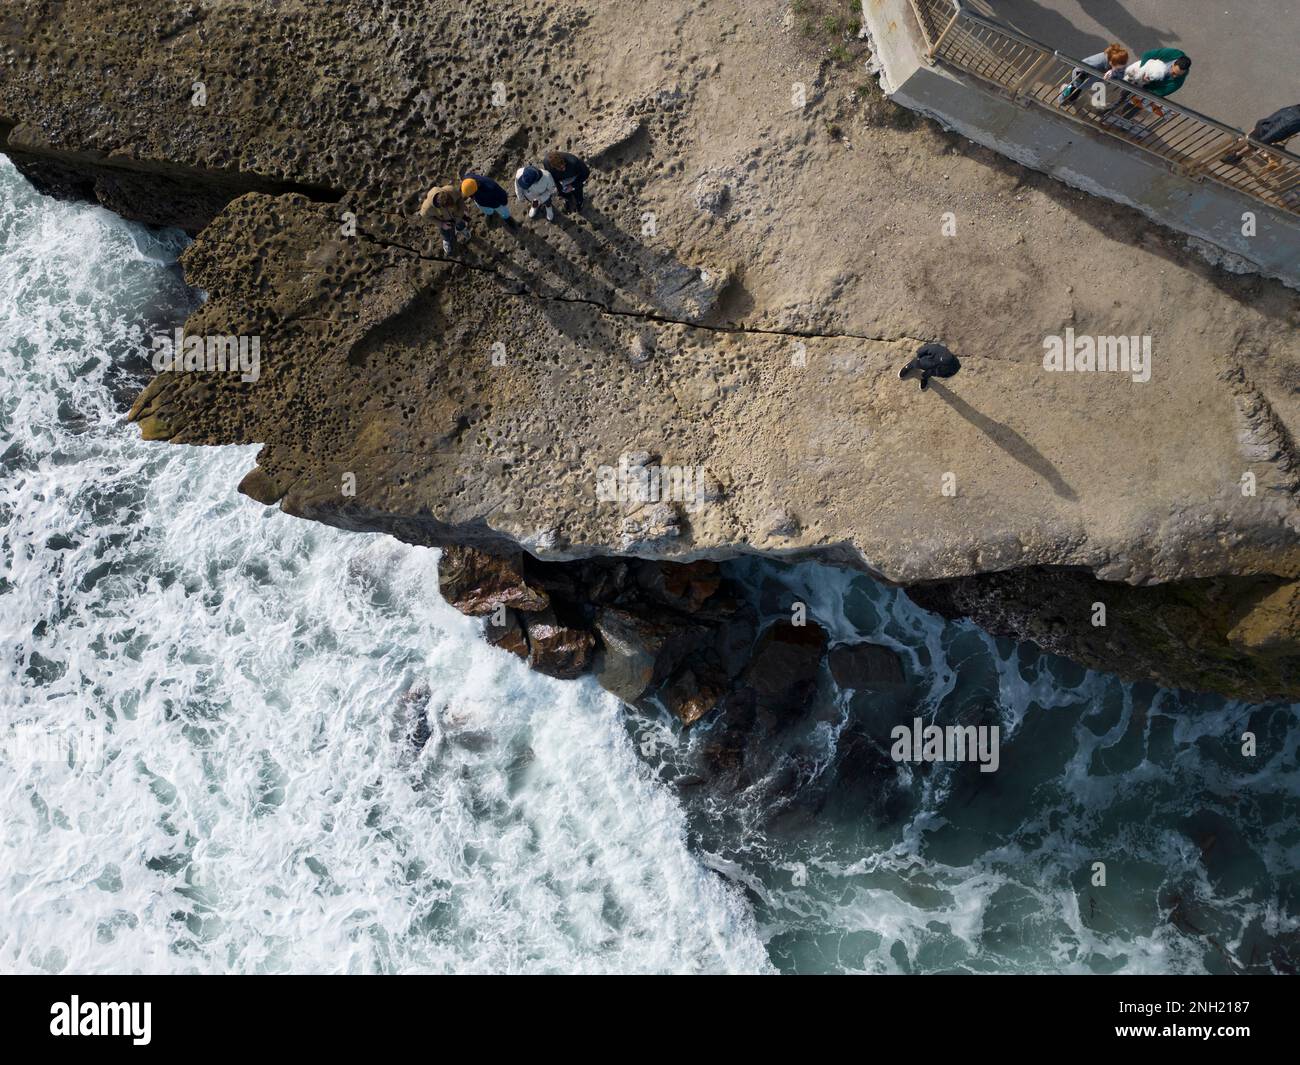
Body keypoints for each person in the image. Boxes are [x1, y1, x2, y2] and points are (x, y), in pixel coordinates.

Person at [1113, 50, 1191, 120]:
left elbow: (1160, 92)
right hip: (1140, 77)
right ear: (1173, 64)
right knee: (1124, 93)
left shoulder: (1178, 82)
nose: (1174, 76)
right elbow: (1147, 55)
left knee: (1137, 105)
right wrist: (1142, 71)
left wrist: (1144, 93)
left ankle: (1123, 120)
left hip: (1150, 90)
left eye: (1178, 75)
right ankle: (1113, 108)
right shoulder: (1173, 53)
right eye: (1174, 73)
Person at [1220, 104, 1300, 167]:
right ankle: (1233, 157)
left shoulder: (1293, 108)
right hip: (1268, 132)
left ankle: (1238, 144)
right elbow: (1279, 129)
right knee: (1253, 144)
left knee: (1251, 138)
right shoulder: (1297, 119)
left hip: (1264, 124)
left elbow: (1278, 115)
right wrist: (1264, 142)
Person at [1057, 44, 1128, 105]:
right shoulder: (1098, 63)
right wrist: (1078, 84)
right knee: (1071, 89)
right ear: (1112, 62)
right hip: (1080, 77)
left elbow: (1121, 74)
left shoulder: (1118, 62)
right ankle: (1062, 96)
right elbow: (1079, 70)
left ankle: (1069, 97)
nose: (1121, 68)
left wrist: (1113, 72)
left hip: (1087, 80)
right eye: (1118, 67)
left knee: (1075, 93)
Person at [418, 182, 473, 253]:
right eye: (449, 206)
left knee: (461, 223)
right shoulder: (427, 208)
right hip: (444, 221)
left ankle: (462, 229)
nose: (450, 207)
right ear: (441, 206)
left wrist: (462, 211)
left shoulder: (451, 190)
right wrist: (441, 224)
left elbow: (460, 199)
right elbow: (425, 216)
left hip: (457, 215)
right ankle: (446, 241)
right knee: (445, 234)